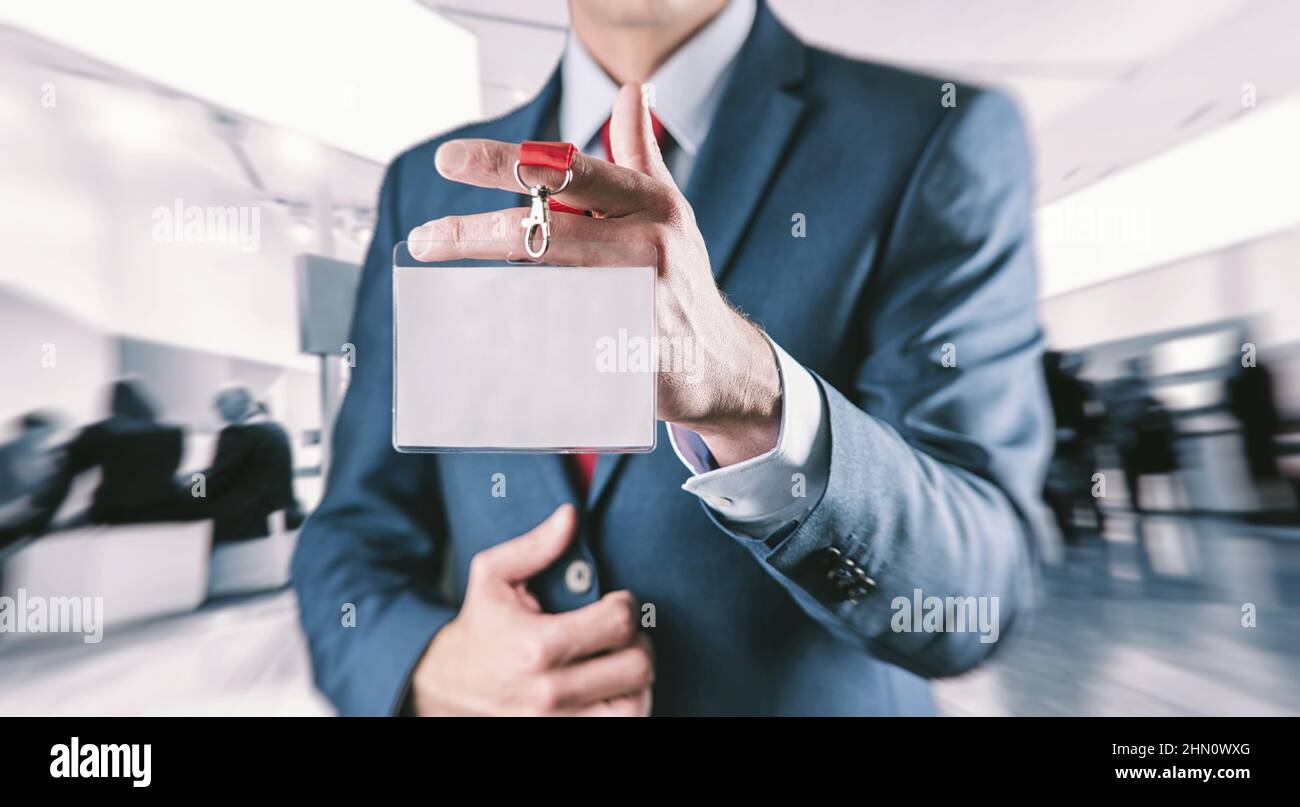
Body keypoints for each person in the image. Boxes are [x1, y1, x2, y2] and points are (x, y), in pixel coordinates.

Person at [292, 0, 1052, 716]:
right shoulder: (429, 189)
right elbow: (350, 534)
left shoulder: (930, 136)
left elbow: (977, 591)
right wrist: (430, 666)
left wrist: (760, 404)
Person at [199, 386, 302, 543]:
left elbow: (217, 480)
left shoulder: (237, 434)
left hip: (243, 528)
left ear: (233, 405)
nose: (217, 412)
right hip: (280, 521)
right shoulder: (277, 430)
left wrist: (194, 487)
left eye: (218, 406)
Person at [1042, 352, 1105, 542]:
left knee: (1068, 487)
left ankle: (1069, 524)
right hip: (1075, 443)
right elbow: (1094, 415)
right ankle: (1092, 518)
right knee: (1089, 482)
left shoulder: (1040, 388)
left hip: (1062, 444)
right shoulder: (1077, 386)